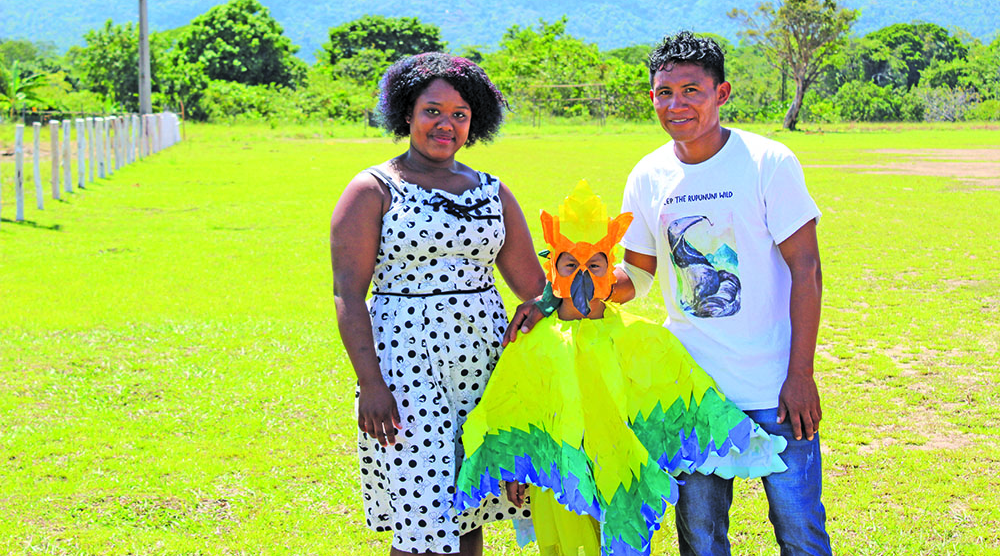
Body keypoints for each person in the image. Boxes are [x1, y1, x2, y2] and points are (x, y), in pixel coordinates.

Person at [505, 32, 832, 555]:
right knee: (700, 538)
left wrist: (800, 375)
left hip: (774, 387)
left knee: (800, 529)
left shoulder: (768, 162)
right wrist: (563, 289)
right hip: (688, 390)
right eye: (664, 93)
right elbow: (635, 278)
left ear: (721, 93)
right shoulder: (650, 174)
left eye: (690, 91)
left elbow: (806, 270)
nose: (676, 105)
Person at [456, 181, 787, 556]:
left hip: (618, 470)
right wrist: (517, 466)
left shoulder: (641, 338)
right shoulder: (533, 342)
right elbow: (514, 401)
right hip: (561, 473)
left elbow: (678, 394)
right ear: (553, 270)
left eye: (594, 264)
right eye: (570, 264)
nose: (582, 274)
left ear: (610, 269)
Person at [331, 52, 546, 556]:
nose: (445, 124)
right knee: (422, 513)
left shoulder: (493, 191)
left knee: (470, 505)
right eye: (432, 110)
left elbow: (531, 286)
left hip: (485, 362)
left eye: (459, 114)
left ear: (475, 122)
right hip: (403, 366)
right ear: (407, 112)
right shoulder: (373, 190)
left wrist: (555, 296)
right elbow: (347, 295)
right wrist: (370, 385)